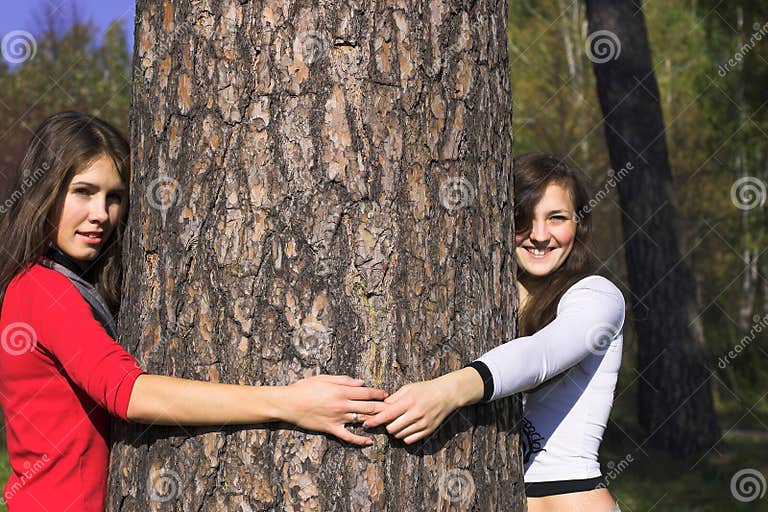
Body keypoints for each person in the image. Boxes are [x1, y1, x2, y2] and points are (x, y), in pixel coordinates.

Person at [0, 111, 387, 511]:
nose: (101, 213)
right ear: (44, 192)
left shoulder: (59, 283)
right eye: (83, 191)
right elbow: (128, 394)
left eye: (113, 197)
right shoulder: (41, 289)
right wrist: (288, 403)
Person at [365, 153, 625, 512]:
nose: (539, 236)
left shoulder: (597, 297)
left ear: (578, 225)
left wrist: (445, 392)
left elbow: (540, 355)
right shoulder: (489, 296)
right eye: (523, 218)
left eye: (557, 218)